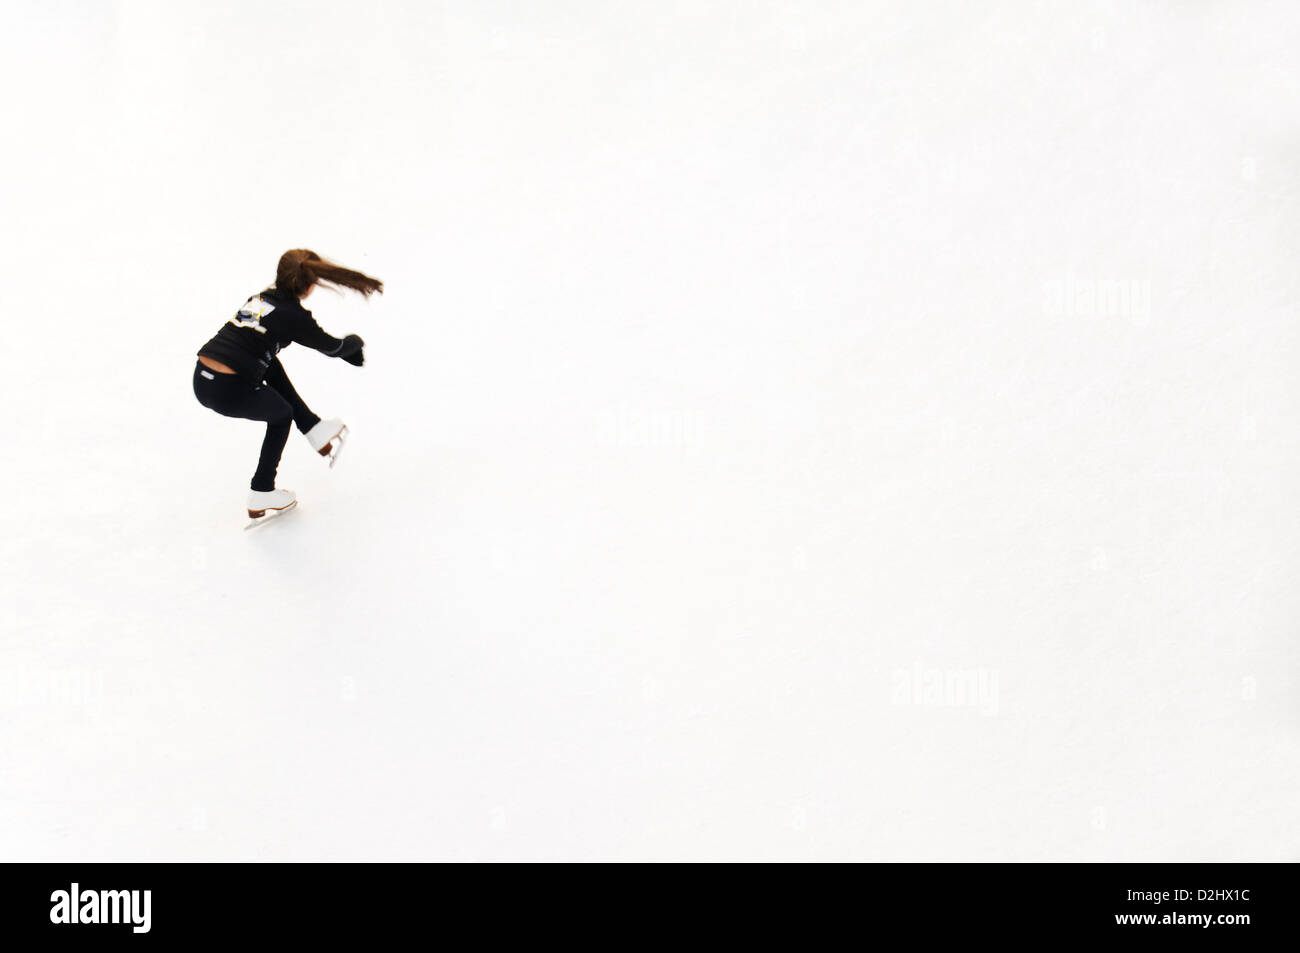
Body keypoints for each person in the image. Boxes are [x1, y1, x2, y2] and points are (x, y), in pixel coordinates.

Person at [193, 249, 383, 522]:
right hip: (227, 389)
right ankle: (262, 490)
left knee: (269, 362)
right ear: (310, 285)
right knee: (281, 414)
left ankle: (314, 428)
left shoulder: (260, 300)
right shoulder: (294, 316)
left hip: (201, 378)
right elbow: (334, 347)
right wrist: (356, 343)